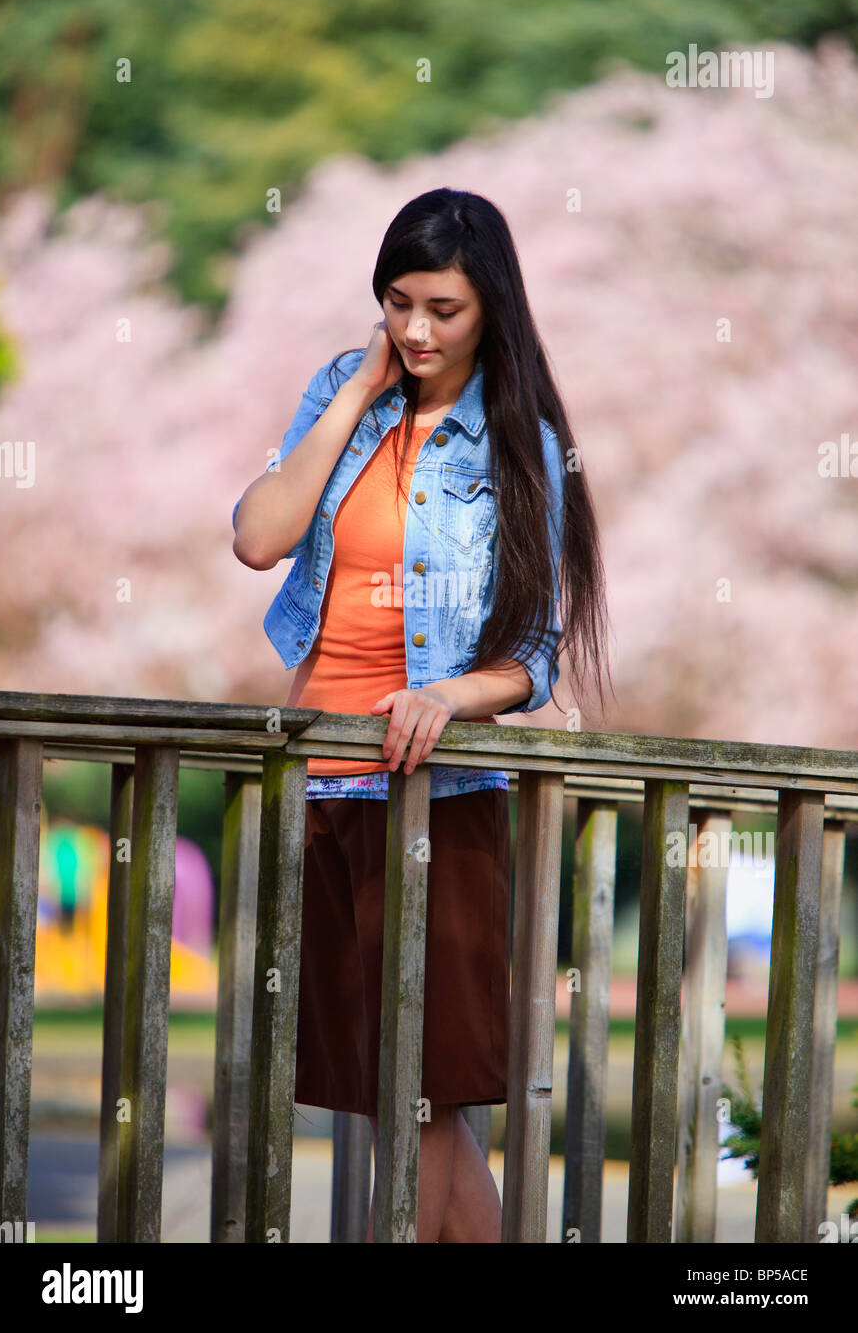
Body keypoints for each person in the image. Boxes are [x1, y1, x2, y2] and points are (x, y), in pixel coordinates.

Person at [232, 186, 611, 1242]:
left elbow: (532, 654)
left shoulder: (516, 439)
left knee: (428, 1096)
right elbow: (259, 538)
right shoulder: (339, 393)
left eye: (440, 307)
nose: (414, 329)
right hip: (326, 785)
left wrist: (447, 692)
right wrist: (356, 394)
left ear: (490, 303)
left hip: (437, 794)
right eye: (396, 302)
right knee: (395, 1094)